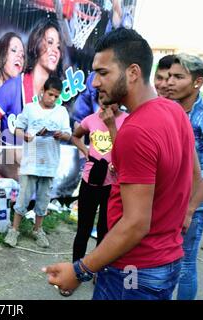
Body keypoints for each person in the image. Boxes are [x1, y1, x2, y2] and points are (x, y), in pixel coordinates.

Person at [43, 28, 199, 300]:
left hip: (134, 270)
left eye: (103, 73)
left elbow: (136, 224)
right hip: (167, 261)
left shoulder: (136, 130)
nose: (94, 83)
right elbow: (194, 176)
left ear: (133, 72)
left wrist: (80, 270)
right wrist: (183, 213)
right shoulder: (175, 111)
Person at [66, 97, 128, 297]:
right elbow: (75, 136)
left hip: (113, 183)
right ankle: (75, 273)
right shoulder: (90, 119)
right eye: (102, 100)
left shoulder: (127, 120)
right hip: (90, 180)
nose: (106, 104)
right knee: (83, 229)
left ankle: (99, 271)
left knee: (105, 229)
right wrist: (85, 150)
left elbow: (125, 149)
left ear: (120, 102)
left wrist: (111, 125)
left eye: (111, 101)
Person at [0, 18, 63, 180]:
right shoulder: (12, 88)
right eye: (50, 42)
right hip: (8, 184)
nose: (55, 50)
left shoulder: (55, 98)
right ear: (36, 44)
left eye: (58, 46)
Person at [3, 77, 71, 249]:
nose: (53, 99)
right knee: (23, 197)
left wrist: (60, 135)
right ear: (42, 91)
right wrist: (24, 135)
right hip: (30, 162)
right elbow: (17, 129)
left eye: (56, 96)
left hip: (50, 163)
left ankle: (37, 230)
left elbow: (69, 134)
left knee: (43, 200)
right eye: (50, 94)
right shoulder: (30, 108)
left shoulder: (62, 112)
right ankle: (14, 230)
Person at [167, 53, 203, 300]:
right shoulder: (168, 108)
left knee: (185, 264)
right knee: (161, 262)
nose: (170, 82)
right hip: (166, 201)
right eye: (169, 76)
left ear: (197, 82)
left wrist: (191, 209)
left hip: (192, 206)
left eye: (178, 77)